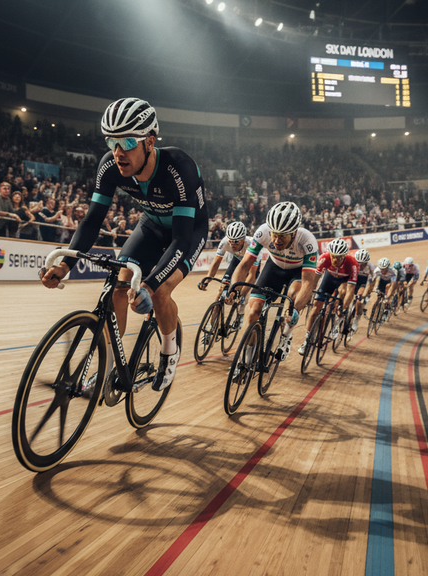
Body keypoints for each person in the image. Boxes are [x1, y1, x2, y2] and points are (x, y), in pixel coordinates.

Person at [40, 98, 208, 392]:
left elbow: (181, 239)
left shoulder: (179, 168)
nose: (118, 152)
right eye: (111, 142)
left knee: (160, 293)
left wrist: (150, 286)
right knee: (119, 285)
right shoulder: (110, 166)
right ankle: (108, 366)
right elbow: (92, 221)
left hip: (188, 231)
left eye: (128, 142)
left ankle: (169, 352)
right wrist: (65, 264)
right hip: (151, 226)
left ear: (149, 141)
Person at [231, 201, 318, 361]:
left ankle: (286, 336)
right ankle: (246, 360)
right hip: (273, 267)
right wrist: (234, 289)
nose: (277, 240)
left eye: (282, 236)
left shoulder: (307, 241)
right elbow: (244, 265)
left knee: (293, 297)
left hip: (297, 272)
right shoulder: (262, 232)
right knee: (254, 312)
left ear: (294, 233)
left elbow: (308, 283)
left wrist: (295, 309)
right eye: (274, 234)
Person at [299, 238, 358, 355]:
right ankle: (307, 340)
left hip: (343, 281)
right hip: (329, 279)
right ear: (329, 254)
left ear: (345, 256)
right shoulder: (324, 258)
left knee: (343, 291)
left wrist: (344, 307)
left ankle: (338, 317)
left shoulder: (352, 264)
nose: (336, 260)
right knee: (316, 308)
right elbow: (314, 281)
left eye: (339, 257)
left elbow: (350, 291)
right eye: (333, 256)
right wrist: (310, 295)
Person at [202, 221, 255, 300]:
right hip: (237, 259)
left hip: (249, 262)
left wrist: (241, 292)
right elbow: (216, 262)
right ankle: (217, 305)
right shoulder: (224, 242)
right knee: (223, 287)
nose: (232, 245)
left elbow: (252, 273)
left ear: (243, 239)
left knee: (240, 292)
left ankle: (240, 304)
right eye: (230, 241)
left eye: (236, 242)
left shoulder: (251, 245)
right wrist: (207, 280)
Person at [351, 249, 377, 332]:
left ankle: (356, 319)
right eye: (359, 262)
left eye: (363, 263)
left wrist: (366, 293)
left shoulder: (372, 266)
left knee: (359, 300)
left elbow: (371, 282)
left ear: (367, 262)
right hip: (355, 280)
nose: (360, 265)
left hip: (364, 282)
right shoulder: (352, 263)